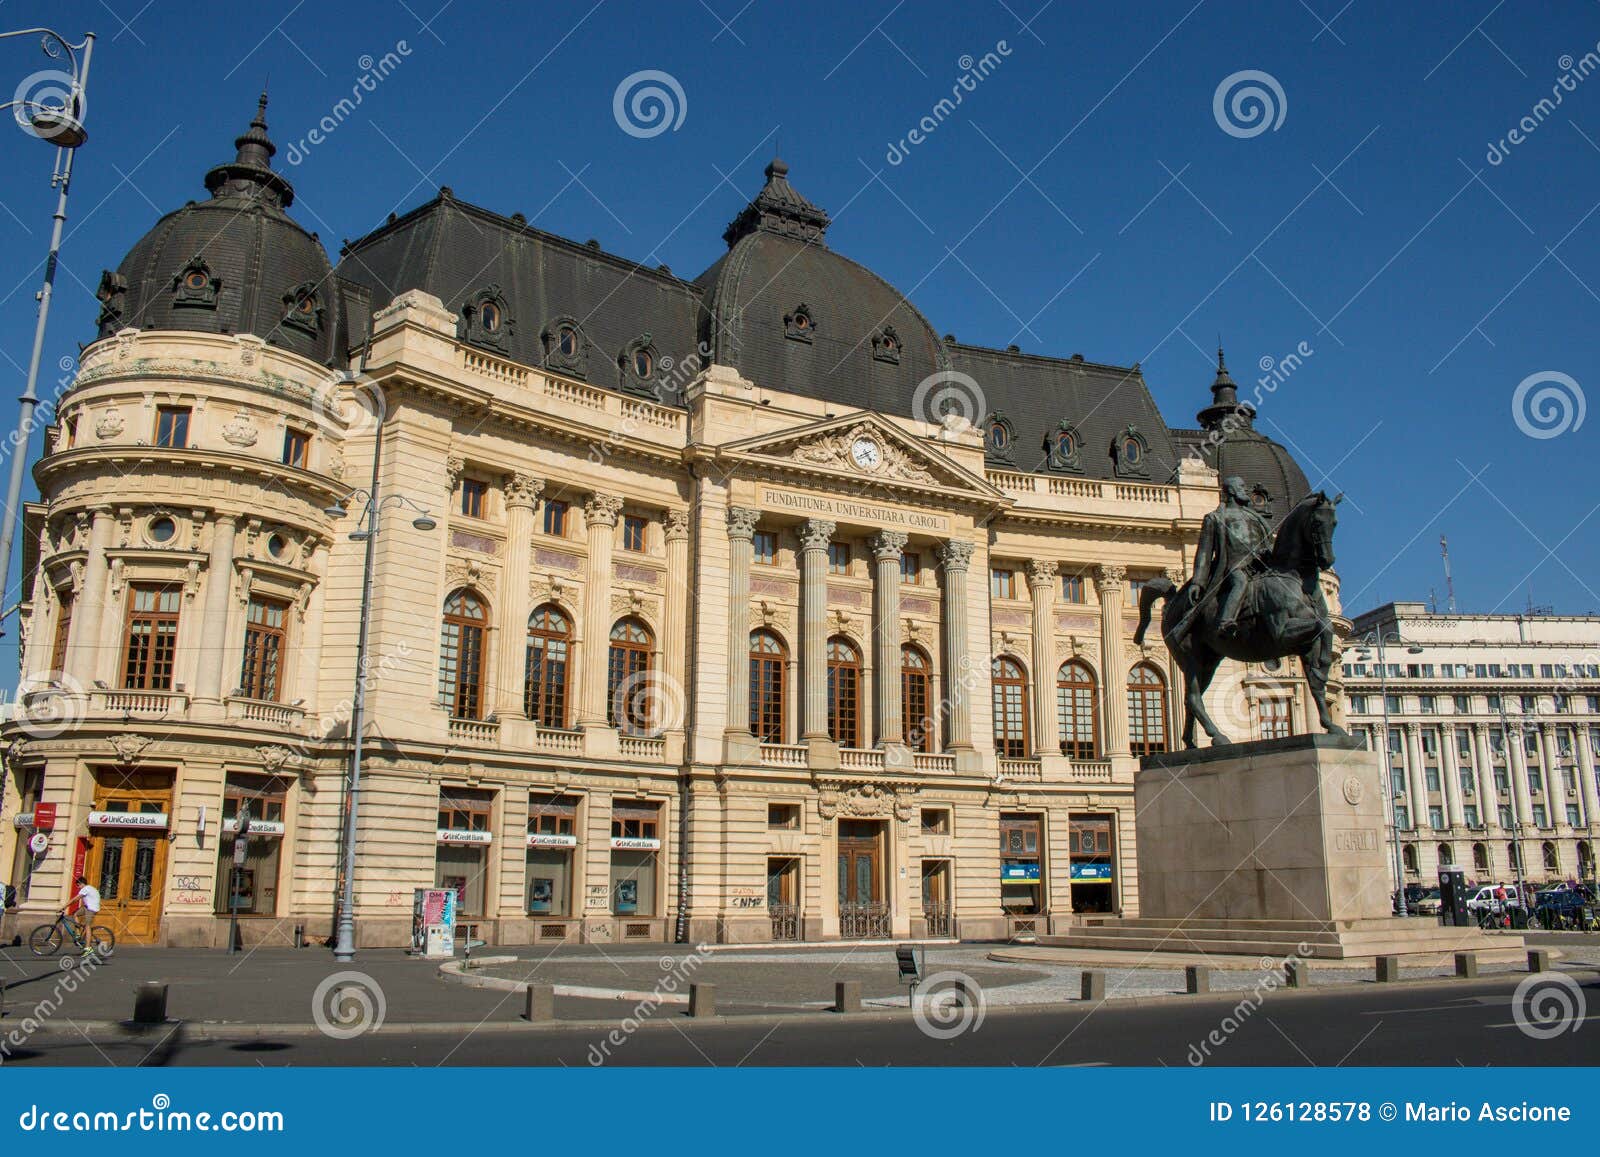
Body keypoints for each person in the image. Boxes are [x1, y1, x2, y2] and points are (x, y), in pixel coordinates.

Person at [1185, 475, 1273, 640]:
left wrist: (1269, 552)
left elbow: (1268, 543)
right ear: (1231, 491)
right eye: (1240, 487)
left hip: (1259, 565)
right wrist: (1198, 581)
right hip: (1235, 566)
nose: (1244, 490)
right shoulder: (1216, 517)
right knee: (1240, 582)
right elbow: (1204, 552)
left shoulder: (1255, 517)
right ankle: (1225, 621)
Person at [68, 874, 100, 955]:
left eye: (78, 885)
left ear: (82, 883)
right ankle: (78, 934)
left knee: (87, 926)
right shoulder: (90, 888)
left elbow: (75, 899)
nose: (78, 887)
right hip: (87, 907)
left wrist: (63, 907)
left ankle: (88, 948)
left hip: (91, 909)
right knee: (75, 914)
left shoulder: (85, 889)